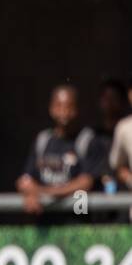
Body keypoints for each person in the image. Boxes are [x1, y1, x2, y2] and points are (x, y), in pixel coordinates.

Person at [16, 84, 106, 216]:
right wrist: (29, 191)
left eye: (69, 106)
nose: (64, 112)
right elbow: (25, 180)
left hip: (77, 223)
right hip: (45, 224)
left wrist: (42, 192)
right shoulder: (42, 140)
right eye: (59, 106)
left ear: (77, 109)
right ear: (51, 108)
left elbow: (84, 183)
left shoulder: (88, 141)